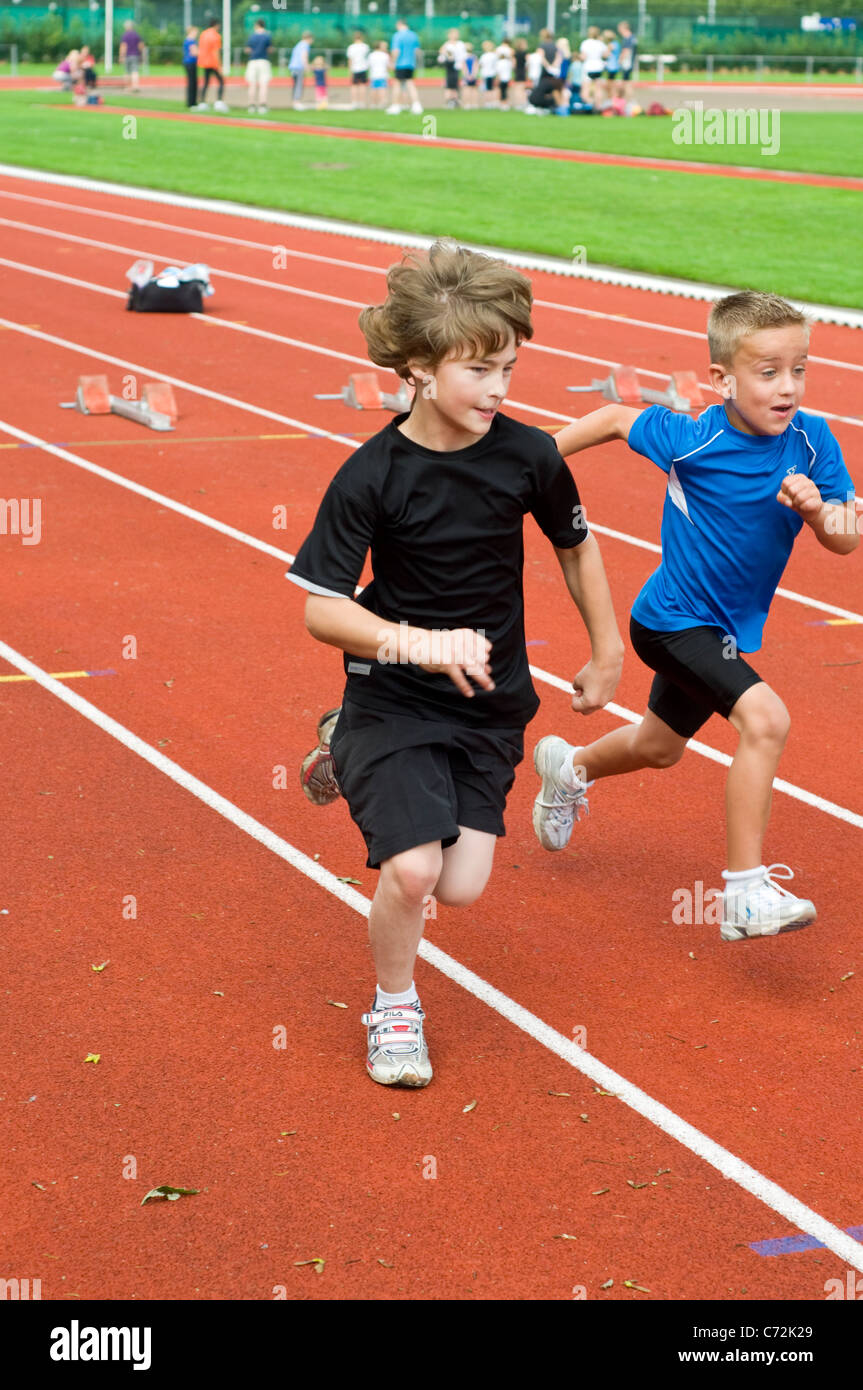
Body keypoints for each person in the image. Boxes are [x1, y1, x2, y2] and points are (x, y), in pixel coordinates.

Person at [291, 241, 623, 1087]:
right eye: (478, 371)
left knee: (464, 885)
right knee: (414, 872)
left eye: (508, 367)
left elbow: (575, 548)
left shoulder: (529, 457)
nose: (500, 389)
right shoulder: (371, 474)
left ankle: (337, 748)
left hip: (490, 700)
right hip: (396, 691)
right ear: (415, 369)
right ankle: (394, 1009)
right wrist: (417, 643)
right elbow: (321, 608)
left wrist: (606, 647)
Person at [532, 291, 858, 942]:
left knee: (658, 748)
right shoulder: (693, 437)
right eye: (767, 372)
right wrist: (525, 463)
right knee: (765, 721)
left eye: (799, 368)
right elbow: (613, 418)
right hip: (671, 621)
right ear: (721, 379)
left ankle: (567, 770)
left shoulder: (812, 440)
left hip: (723, 633)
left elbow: (847, 536)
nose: (787, 386)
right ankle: (742, 894)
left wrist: (819, 513)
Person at [387, 17, 423, 115]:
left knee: (397, 84)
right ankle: (416, 105)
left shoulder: (397, 35)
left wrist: (392, 62)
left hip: (400, 63)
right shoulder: (413, 35)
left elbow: (396, 51)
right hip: (411, 63)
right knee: (410, 83)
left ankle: (395, 105)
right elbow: (417, 51)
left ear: (399, 24)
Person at [196, 19, 229, 112]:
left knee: (206, 82)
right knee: (221, 81)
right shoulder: (215, 36)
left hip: (204, 62)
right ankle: (219, 102)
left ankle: (202, 102)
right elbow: (216, 52)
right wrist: (219, 65)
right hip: (213, 62)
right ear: (216, 25)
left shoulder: (203, 34)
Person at [245, 18, 272, 115]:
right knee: (263, 85)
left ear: (257, 25)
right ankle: (262, 105)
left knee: (252, 84)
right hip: (263, 61)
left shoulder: (252, 36)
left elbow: (248, 49)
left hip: (253, 61)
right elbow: (269, 49)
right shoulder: (267, 36)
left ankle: (251, 105)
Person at [579, 25, 608, 105]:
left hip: (588, 67)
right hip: (598, 67)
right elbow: (605, 55)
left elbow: (583, 56)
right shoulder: (600, 43)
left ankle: (588, 105)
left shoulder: (585, 43)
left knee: (586, 88)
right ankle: (598, 106)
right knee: (598, 89)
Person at [438, 28, 463, 109]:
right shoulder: (446, 44)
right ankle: (448, 101)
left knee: (455, 84)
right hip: (449, 66)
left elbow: (462, 56)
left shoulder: (460, 44)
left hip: (457, 66)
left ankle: (455, 100)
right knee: (448, 84)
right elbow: (441, 54)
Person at [289, 30, 313, 109]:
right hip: (298, 67)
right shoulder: (305, 45)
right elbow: (304, 56)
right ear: (309, 38)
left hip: (293, 67)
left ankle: (295, 102)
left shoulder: (298, 44)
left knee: (296, 85)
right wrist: (307, 66)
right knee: (299, 85)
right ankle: (297, 102)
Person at [119, 21, 146, 93]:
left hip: (127, 55)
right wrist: (141, 54)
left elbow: (123, 46)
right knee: (135, 71)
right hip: (135, 55)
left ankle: (128, 87)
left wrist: (121, 56)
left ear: (126, 27)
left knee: (127, 72)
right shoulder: (136, 35)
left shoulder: (125, 35)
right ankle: (135, 86)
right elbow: (141, 46)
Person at [346, 29, 371, 109]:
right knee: (362, 85)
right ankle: (362, 102)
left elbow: (350, 60)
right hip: (363, 67)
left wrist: (350, 70)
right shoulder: (365, 46)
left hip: (355, 68)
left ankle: (354, 102)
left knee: (354, 86)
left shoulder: (351, 47)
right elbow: (367, 58)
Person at [617, 20, 637, 100]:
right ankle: (626, 100)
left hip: (626, 63)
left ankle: (630, 101)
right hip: (629, 62)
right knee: (626, 82)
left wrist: (620, 59)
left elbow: (626, 50)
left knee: (626, 83)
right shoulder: (632, 37)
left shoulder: (628, 38)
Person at [368, 40, 390, 108]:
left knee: (373, 89)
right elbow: (388, 66)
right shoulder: (385, 55)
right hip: (382, 74)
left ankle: (373, 103)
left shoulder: (371, 55)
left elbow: (369, 65)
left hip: (373, 74)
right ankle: (382, 103)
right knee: (382, 89)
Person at [478, 40, 498, 108]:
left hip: (486, 74)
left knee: (487, 89)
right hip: (492, 73)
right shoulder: (494, 55)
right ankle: (491, 102)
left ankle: (488, 102)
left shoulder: (484, 56)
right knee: (491, 89)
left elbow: (480, 65)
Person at [182, 27, 199, 110]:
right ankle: (192, 103)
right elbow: (194, 52)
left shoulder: (187, 40)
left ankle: (191, 102)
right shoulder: (191, 41)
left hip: (188, 63)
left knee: (191, 83)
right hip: (191, 63)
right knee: (192, 83)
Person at [496, 40, 514, 110]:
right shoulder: (508, 62)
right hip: (506, 77)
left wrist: (498, 77)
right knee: (506, 90)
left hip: (502, 78)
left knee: (502, 90)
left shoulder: (499, 62)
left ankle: (502, 103)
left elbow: (498, 71)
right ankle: (506, 103)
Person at [511, 36, 528, 110]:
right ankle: (523, 103)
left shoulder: (515, 53)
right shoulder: (525, 53)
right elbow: (528, 63)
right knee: (522, 88)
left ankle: (518, 103)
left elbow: (513, 64)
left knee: (517, 88)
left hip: (518, 71)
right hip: (523, 71)